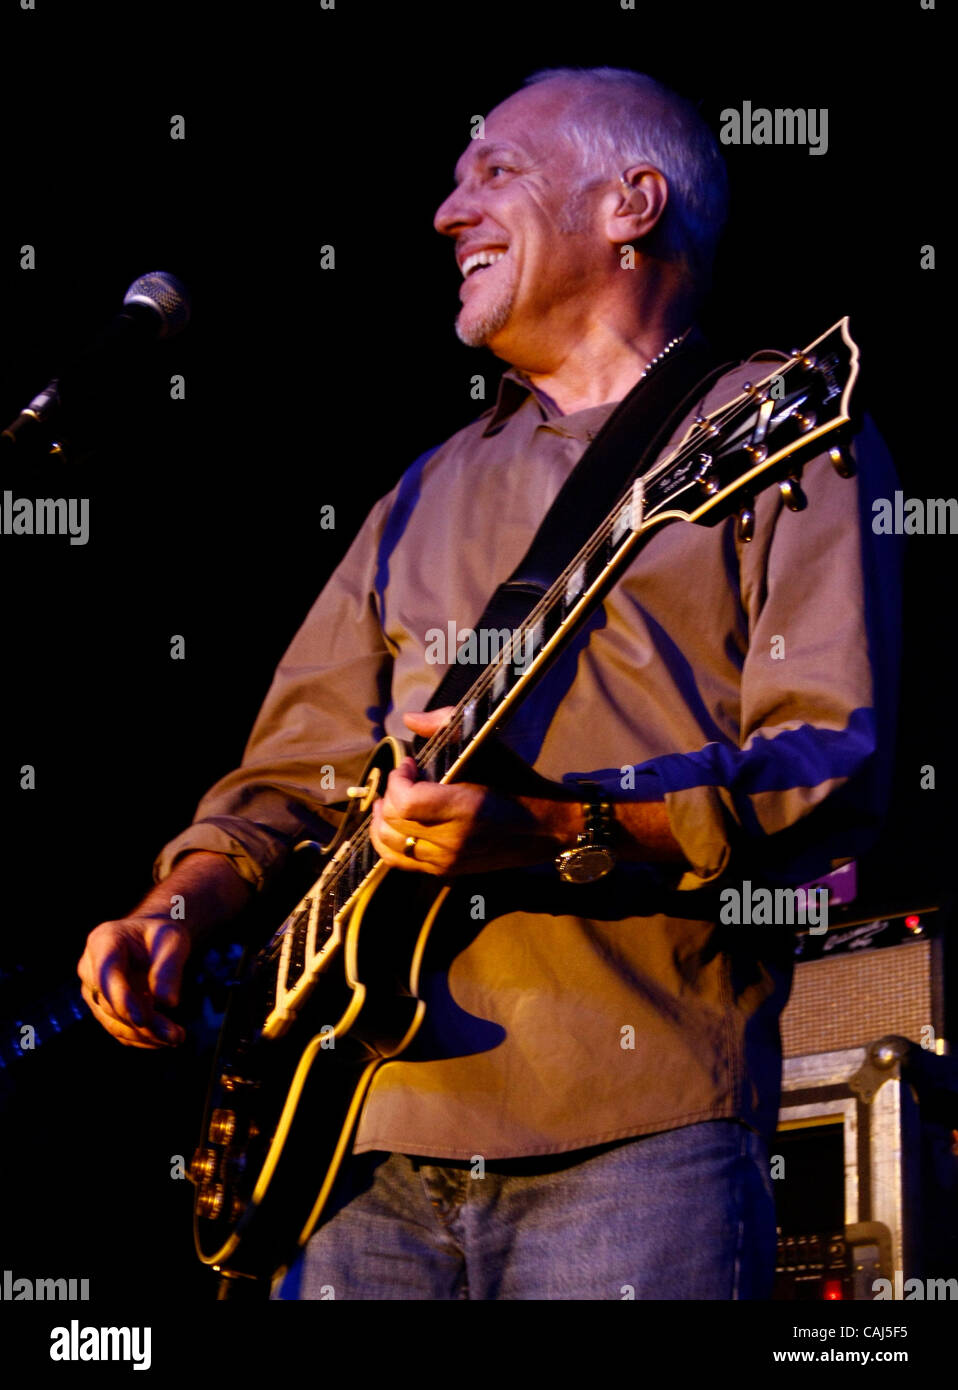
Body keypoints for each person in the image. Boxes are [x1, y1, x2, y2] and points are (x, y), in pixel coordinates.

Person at [77, 66, 902, 1300]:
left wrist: (552, 830)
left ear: (631, 204)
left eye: (494, 173)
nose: (445, 213)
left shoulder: (779, 434)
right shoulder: (423, 488)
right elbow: (283, 776)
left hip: (638, 1126)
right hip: (352, 1138)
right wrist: (184, 905)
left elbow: (827, 771)